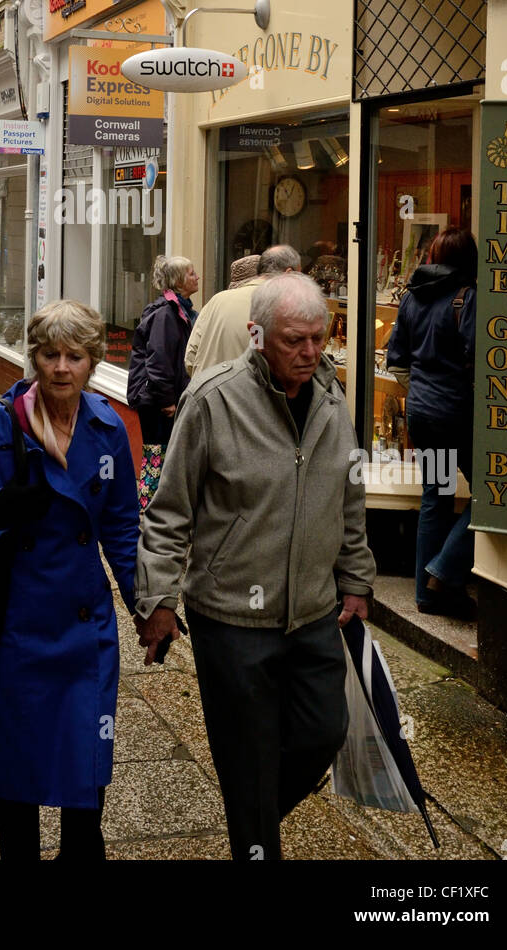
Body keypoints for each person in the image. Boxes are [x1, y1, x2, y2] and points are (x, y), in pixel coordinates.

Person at [135, 272, 376, 861]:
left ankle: (254, 817)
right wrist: (159, 599)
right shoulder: (214, 399)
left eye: (320, 337)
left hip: (313, 610)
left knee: (324, 731)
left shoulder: (330, 394)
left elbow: (346, 494)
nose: (311, 352)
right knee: (247, 756)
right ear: (257, 335)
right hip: (231, 615)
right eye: (295, 340)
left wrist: (357, 576)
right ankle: (256, 843)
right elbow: (169, 510)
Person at [0, 300, 139, 862]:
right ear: (34, 359)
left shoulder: (107, 429)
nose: (62, 368)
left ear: (93, 362)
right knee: (17, 771)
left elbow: (120, 525)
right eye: (50, 355)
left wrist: (149, 604)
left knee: (85, 770)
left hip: (84, 625)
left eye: (75, 356)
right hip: (13, 625)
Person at [386, 227, 477, 620]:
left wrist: (421, 392)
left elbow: (397, 361)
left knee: (435, 499)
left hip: (422, 415)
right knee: (493, 494)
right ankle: (444, 569)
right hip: (457, 415)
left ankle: (426, 596)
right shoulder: (466, 298)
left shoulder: (413, 297)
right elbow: (479, 361)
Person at [127, 254, 199, 510]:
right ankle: (148, 508)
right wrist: (167, 401)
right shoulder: (166, 315)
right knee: (156, 454)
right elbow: (158, 362)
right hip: (157, 401)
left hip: (161, 398)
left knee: (162, 454)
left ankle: (157, 507)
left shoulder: (179, 310)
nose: (197, 276)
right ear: (179, 281)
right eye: (191, 273)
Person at [184, 245, 301, 377]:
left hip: (204, 392)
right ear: (289, 274)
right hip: (246, 395)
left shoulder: (216, 300)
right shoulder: (282, 308)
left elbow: (190, 358)